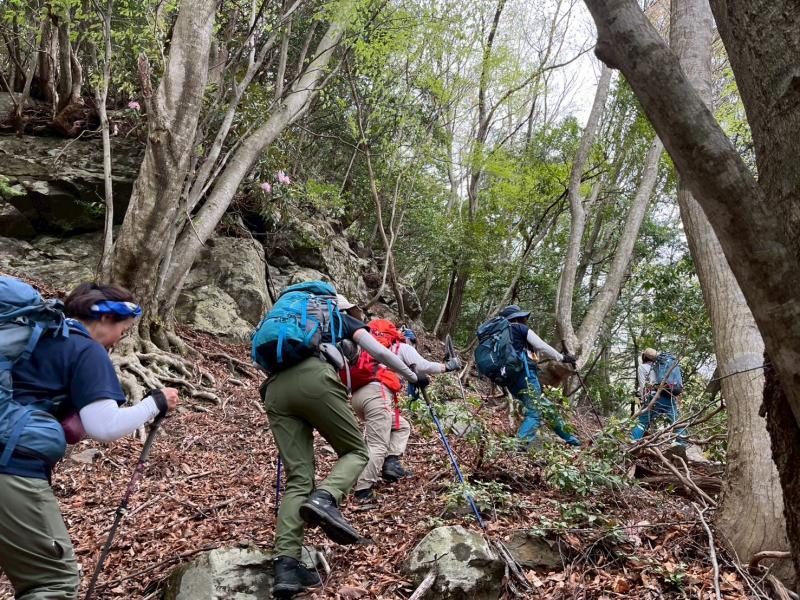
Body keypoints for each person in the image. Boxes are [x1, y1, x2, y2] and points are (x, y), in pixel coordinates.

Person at [0, 281, 179, 600]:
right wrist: (156, 403)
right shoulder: (86, 350)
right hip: (12, 468)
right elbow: (104, 426)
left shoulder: (35, 337)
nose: (121, 338)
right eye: (123, 331)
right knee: (52, 582)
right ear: (106, 320)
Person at [259, 286, 428, 597]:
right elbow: (379, 352)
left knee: (298, 479)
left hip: (275, 389)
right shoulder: (336, 316)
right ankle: (325, 498)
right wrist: (413, 376)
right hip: (314, 378)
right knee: (355, 450)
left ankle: (286, 568)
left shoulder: (282, 321)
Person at [342, 315, 460, 503]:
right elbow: (423, 365)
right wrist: (447, 366)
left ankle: (391, 464)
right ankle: (363, 490)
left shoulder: (364, 344)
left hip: (357, 396)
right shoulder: (400, 346)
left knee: (401, 426)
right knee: (378, 444)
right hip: (377, 393)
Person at [498, 305, 580, 448]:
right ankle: (517, 447)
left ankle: (573, 441)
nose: (525, 319)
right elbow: (541, 346)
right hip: (526, 377)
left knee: (548, 409)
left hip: (511, 381)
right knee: (534, 414)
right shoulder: (519, 328)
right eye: (523, 317)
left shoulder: (500, 335)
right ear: (517, 318)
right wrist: (562, 358)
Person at [631, 348, 686, 443]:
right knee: (676, 421)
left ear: (644, 357)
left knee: (642, 421)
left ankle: (633, 441)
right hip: (668, 395)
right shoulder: (662, 364)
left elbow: (643, 385)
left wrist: (643, 401)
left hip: (654, 397)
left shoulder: (642, 367)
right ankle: (682, 443)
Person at [401, 328, 420, 400]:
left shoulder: (407, 336)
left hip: (410, 361)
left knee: (412, 378)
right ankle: (413, 397)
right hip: (411, 360)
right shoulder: (411, 337)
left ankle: (412, 397)